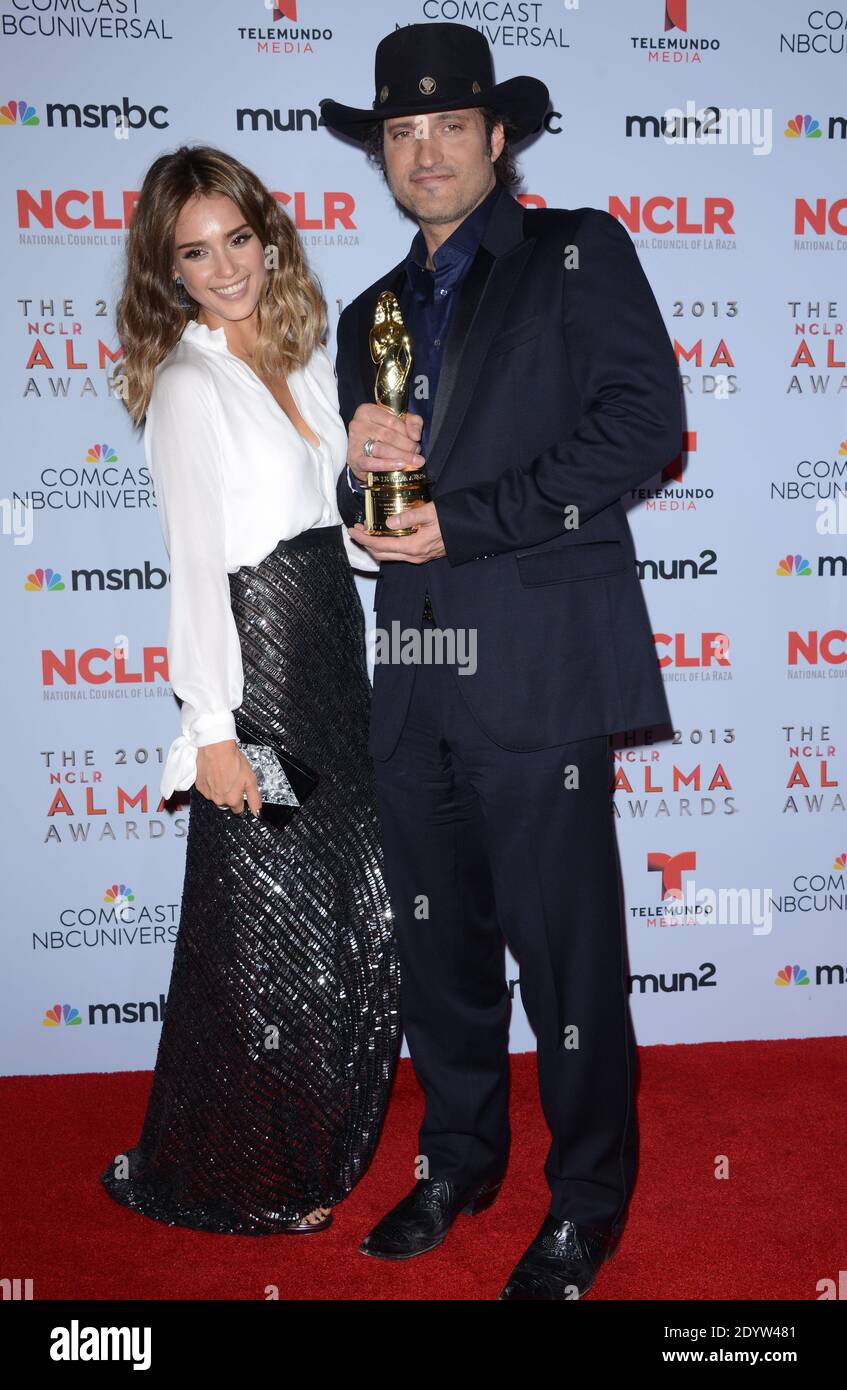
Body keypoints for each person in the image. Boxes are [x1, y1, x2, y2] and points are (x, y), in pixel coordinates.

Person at [320, 22, 681, 1297]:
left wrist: (465, 522)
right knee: (441, 951)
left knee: (567, 954)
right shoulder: (365, 311)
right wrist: (353, 470)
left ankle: (586, 1198)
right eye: (399, 133)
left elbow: (644, 427)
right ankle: (459, 1156)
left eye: (448, 128)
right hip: (414, 671)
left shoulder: (575, 250)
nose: (423, 152)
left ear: (497, 136)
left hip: (538, 669)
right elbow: (371, 498)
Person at [99, 145, 400, 1235]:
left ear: (266, 237)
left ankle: (297, 1140)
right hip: (257, 683)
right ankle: (236, 1170)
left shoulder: (299, 356)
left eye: (236, 239)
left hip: (331, 667)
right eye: (195, 252)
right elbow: (196, 568)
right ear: (168, 270)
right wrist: (211, 732)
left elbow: (336, 528)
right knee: (258, 928)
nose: (223, 266)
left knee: (340, 918)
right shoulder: (186, 385)